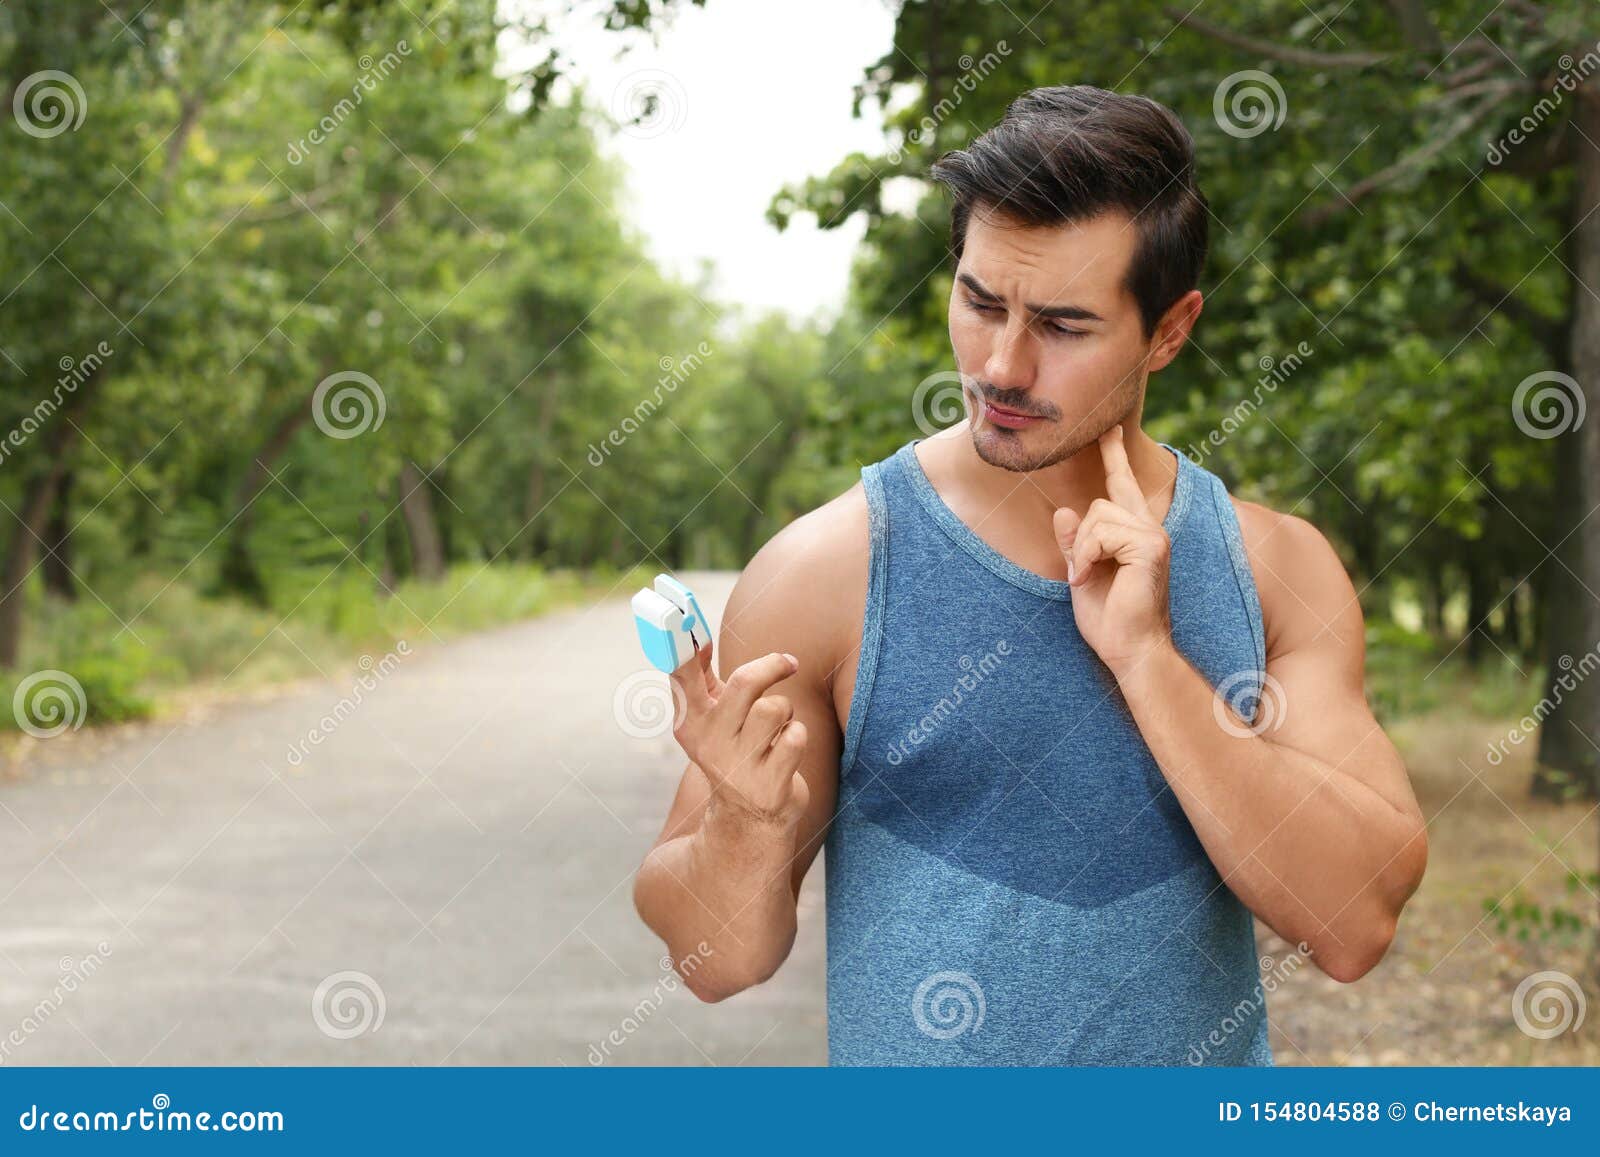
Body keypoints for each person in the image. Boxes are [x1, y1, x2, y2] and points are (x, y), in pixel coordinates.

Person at [632, 84, 1427, 1065]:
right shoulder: (823, 572)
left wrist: (1146, 657)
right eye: (979, 301)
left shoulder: (1272, 569)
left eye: (1062, 324)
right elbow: (716, 960)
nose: (1001, 366)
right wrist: (749, 827)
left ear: (1170, 331)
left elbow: (1353, 924)